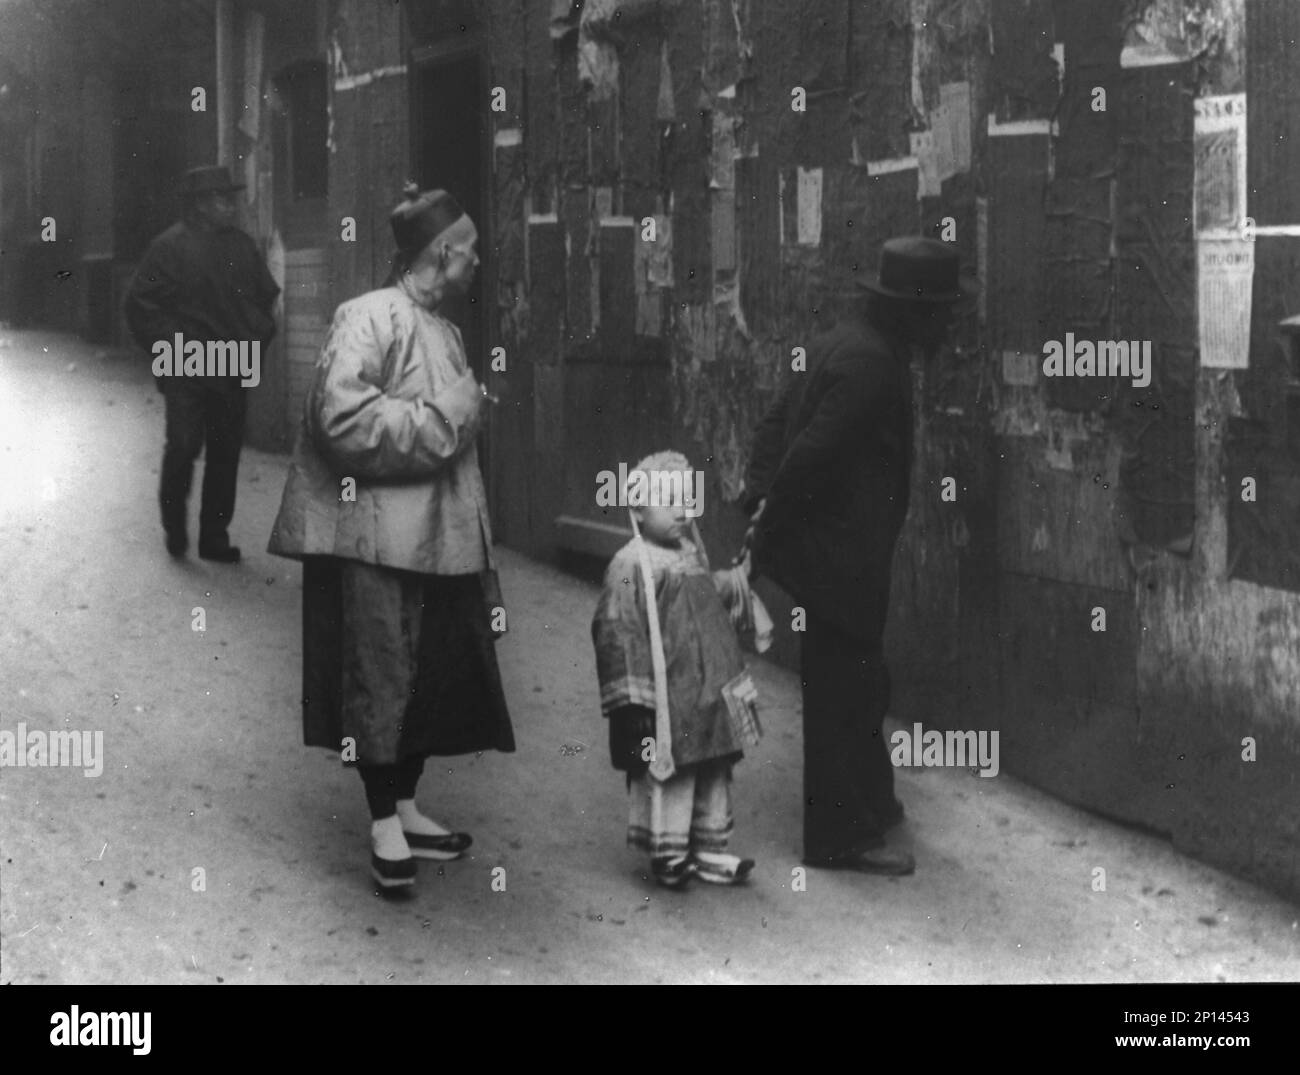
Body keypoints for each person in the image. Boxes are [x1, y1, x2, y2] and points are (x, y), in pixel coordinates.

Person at [267, 184, 514, 891]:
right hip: (374, 541)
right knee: (379, 674)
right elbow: (340, 423)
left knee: (429, 670)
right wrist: (448, 416)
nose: (475, 267)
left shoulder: (445, 328)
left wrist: (457, 415)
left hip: (438, 539)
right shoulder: (367, 316)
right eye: (468, 255)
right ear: (440, 253)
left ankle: (404, 805)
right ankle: (381, 823)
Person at [742, 236, 973, 876]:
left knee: (861, 679)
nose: (947, 325)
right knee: (843, 688)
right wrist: (763, 530)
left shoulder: (844, 342)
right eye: (941, 312)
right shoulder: (874, 367)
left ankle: (872, 801)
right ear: (911, 311)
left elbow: (776, 420)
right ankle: (837, 837)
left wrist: (756, 495)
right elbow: (812, 451)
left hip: (834, 551)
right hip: (839, 556)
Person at [592, 451, 761, 888]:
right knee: (673, 769)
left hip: (711, 688)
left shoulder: (689, 552)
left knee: (716, 764)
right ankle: (669, 850)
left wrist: (736, 580)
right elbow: (618, 626)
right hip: (670, 696)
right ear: (638, 509)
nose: (684, 512)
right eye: (670, 503)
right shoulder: (632, 564)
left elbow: (706, 595)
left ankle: (708, 845)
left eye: (688, 501)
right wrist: (635, 699)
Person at [124, 165, 280, 563]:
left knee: (225, 454)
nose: (230, 206)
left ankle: (215, 537)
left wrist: (254, 340)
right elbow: (139, 305)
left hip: (230, 365)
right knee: (183, 445)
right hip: (186, 366)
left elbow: (265, 300)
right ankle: (174, 527)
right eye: (220, 199)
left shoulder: (242, 247)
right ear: (198, 206)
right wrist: (171, 350)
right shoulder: (169, 248)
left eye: (231, 199)